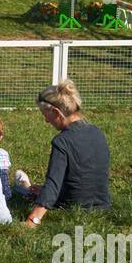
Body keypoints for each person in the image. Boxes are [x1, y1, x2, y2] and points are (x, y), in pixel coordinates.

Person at [22, 79, 111, 228]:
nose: (46, 121)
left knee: (21, 190)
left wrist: (33, 219)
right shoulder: (97, 132)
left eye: (45, 115)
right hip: (102, 204)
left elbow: (53, 183)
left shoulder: (62, 141)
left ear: (56, 112)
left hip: (74, 205)